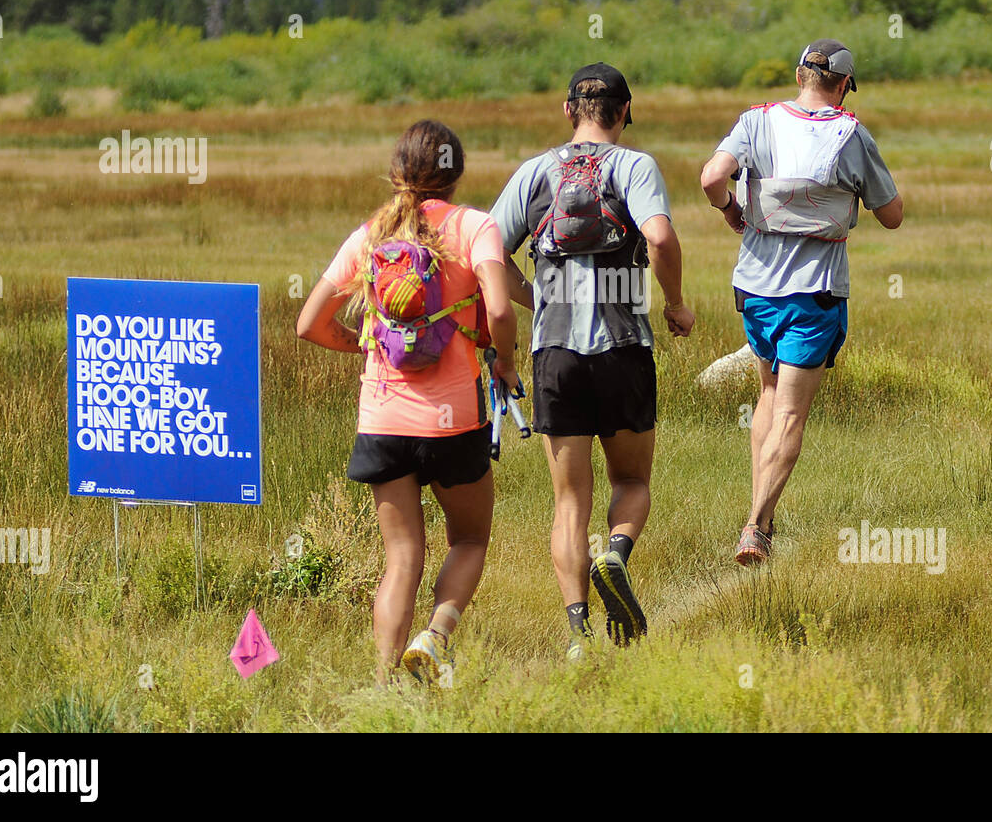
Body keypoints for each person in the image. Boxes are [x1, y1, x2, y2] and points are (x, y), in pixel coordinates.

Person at [296, 119, 518, 682]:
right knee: (469, 538)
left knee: (402, 557)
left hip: (382, 418)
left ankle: (382, 682)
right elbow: (499, 308)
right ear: (456, 172)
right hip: (454, 422)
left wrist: (365, 350)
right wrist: (507, 362)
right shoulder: (475, 226)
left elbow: (308, 324)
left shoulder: (369, 234)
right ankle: (435, 637)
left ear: (398, 172)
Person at [490, 62, 694, 659]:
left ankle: (578, 632)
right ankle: (617, 553)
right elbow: (658, 237)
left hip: (555, 352)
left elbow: (489, 254)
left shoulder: (534, 171)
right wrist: (676, 303)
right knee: (631, 480)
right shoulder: (636, 166)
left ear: (567, 111)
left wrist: (536, 297)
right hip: (624, 347)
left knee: (569, 501)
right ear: (627, 111)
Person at [700, 40, 903, 565]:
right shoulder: (849, 133)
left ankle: (759, 518)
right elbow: (893, 215)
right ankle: (754, 528)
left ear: (799, 75)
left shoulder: (755, 121)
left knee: (768, 395)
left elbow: (710, 177)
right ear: (842, 86)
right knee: (790, 412)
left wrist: (730, 210)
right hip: (814, 291)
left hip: (754, 287)